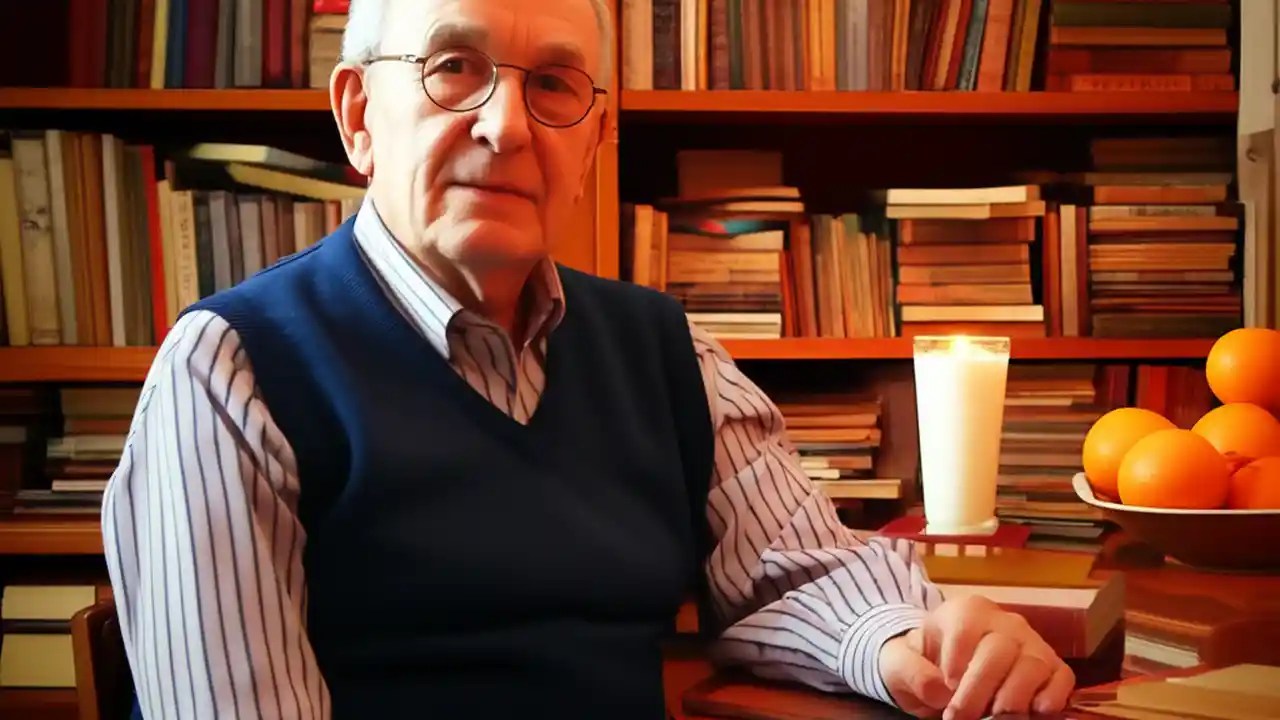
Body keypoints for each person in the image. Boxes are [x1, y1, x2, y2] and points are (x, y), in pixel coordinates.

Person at [101, 0, 1075, 717]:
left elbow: (793, 574)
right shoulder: (231, 372)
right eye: (453, 68)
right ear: (358, 115)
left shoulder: (668, 354)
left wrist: (919, 644)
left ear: (595, 141)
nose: (507, 126)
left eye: (555, 86)